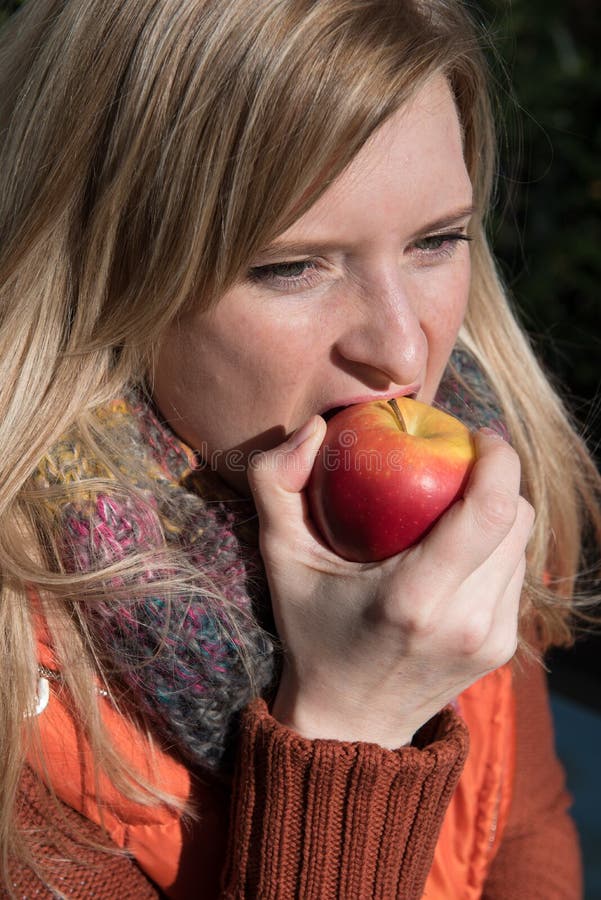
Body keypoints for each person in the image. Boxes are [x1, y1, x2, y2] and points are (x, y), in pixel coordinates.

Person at [0, 0, 599, 897]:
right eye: (291, 266)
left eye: (435, 241)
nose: (402, 352)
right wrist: (352, 725)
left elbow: (521, 833)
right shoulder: (24, 684)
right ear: (97, 269)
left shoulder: (481, 480)